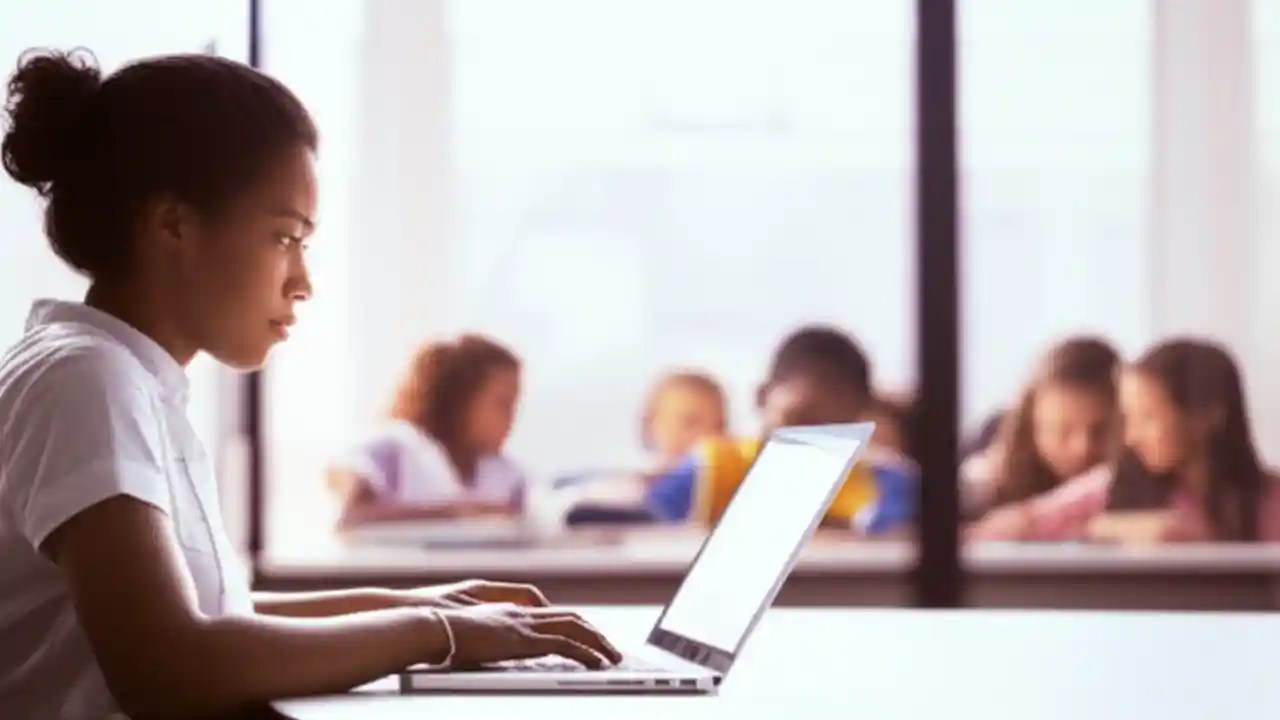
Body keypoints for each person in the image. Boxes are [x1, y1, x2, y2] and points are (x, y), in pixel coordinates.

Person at [0, 49, 619, 720]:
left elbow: (217, 615)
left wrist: (427, 605)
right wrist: (433, 635)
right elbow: (169, 664)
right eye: (284, 238)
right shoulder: (87, 381)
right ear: (171, 224)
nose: (303, 282)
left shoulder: (120, 378)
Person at [969, 339, 1280, 544]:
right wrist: (1104, 528)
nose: (1130, 437)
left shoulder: (1269, 499)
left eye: (1148, 418)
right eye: (1129, 419)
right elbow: (1019, 524)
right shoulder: (1109, 486)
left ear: (1208, 416)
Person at [645, 326, 917, 535]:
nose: (811, 441)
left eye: (835, 429)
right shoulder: (713, 469)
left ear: (861, 421)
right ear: (762, 397)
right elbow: (644, 522)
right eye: (798, 420)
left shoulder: (883, 485)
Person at [327, 335, 527, 528]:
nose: (511, 418)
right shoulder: (392, 449)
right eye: (503, 404)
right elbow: (350, 516)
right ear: (459, 401)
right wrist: (453, 514)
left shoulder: (505, 474)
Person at [961, 336, 1121, 517]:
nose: (1083, 448)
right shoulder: (986, 486)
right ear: (1032, 427)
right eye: (1063, 431)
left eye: (1101, 431)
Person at [641, 370, 728, 472]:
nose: (708, 437)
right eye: (690, 423)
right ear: (650, 426)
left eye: (718, 427)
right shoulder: (631, 487)